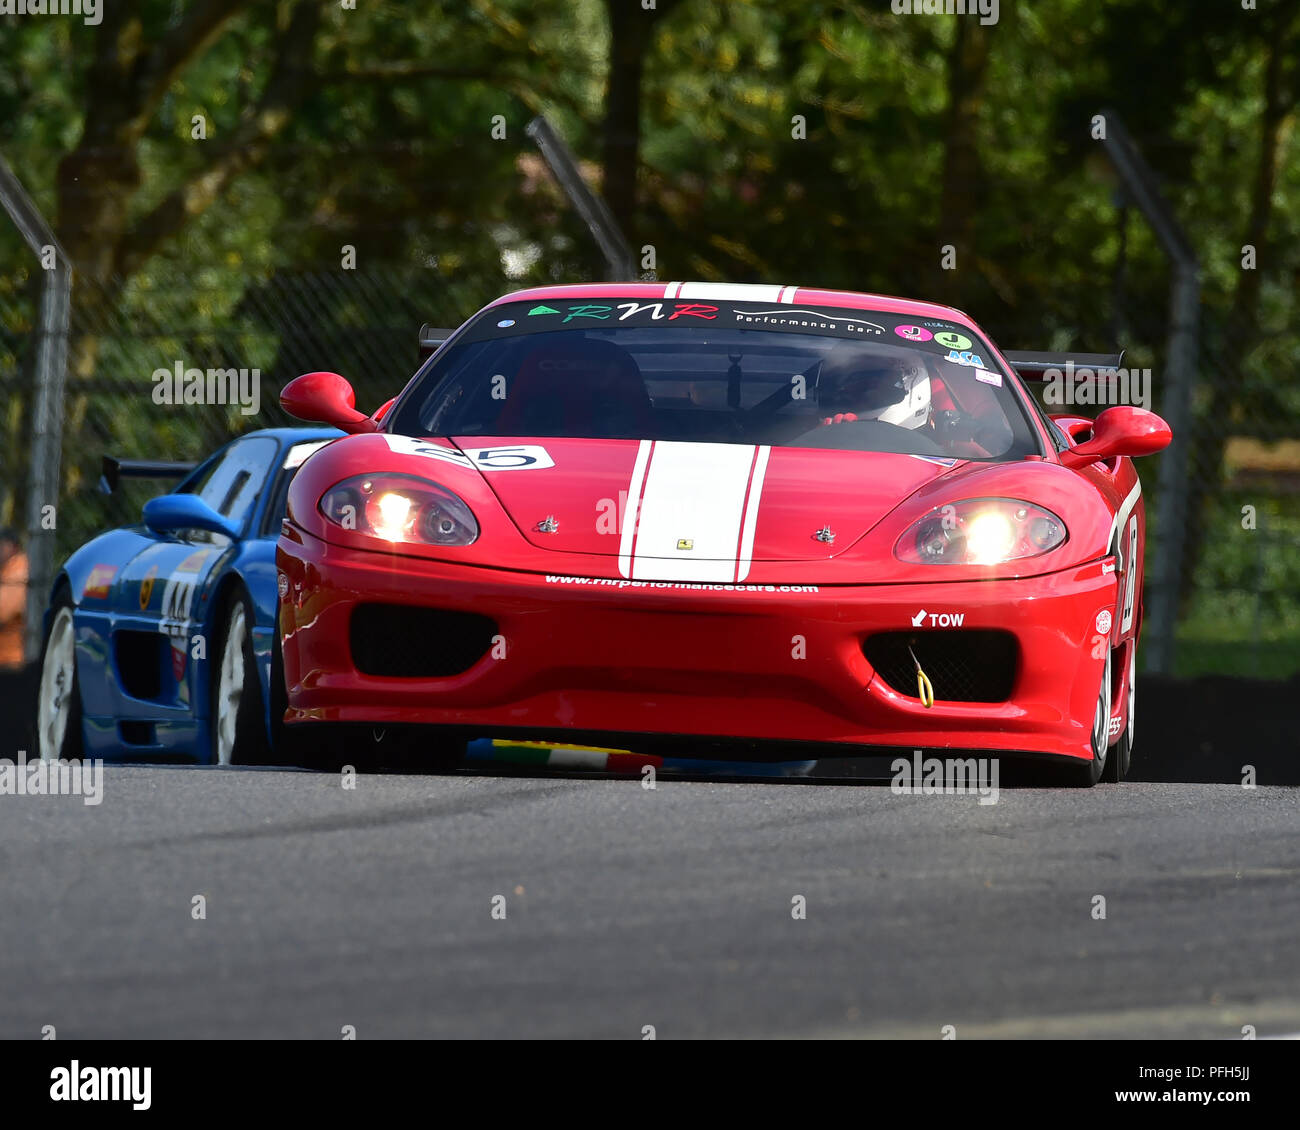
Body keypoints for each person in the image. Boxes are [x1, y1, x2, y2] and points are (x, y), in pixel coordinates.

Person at [814, 344, 932, 430]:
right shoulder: (818, 441)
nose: (843, 390)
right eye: (836, 385)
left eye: (864, 381)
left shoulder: (939, 455)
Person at [0, 527, 28, 667]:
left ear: (13, 547)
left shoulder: (19, 569)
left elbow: (2, 613)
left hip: (12, 661)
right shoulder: (5, 570)